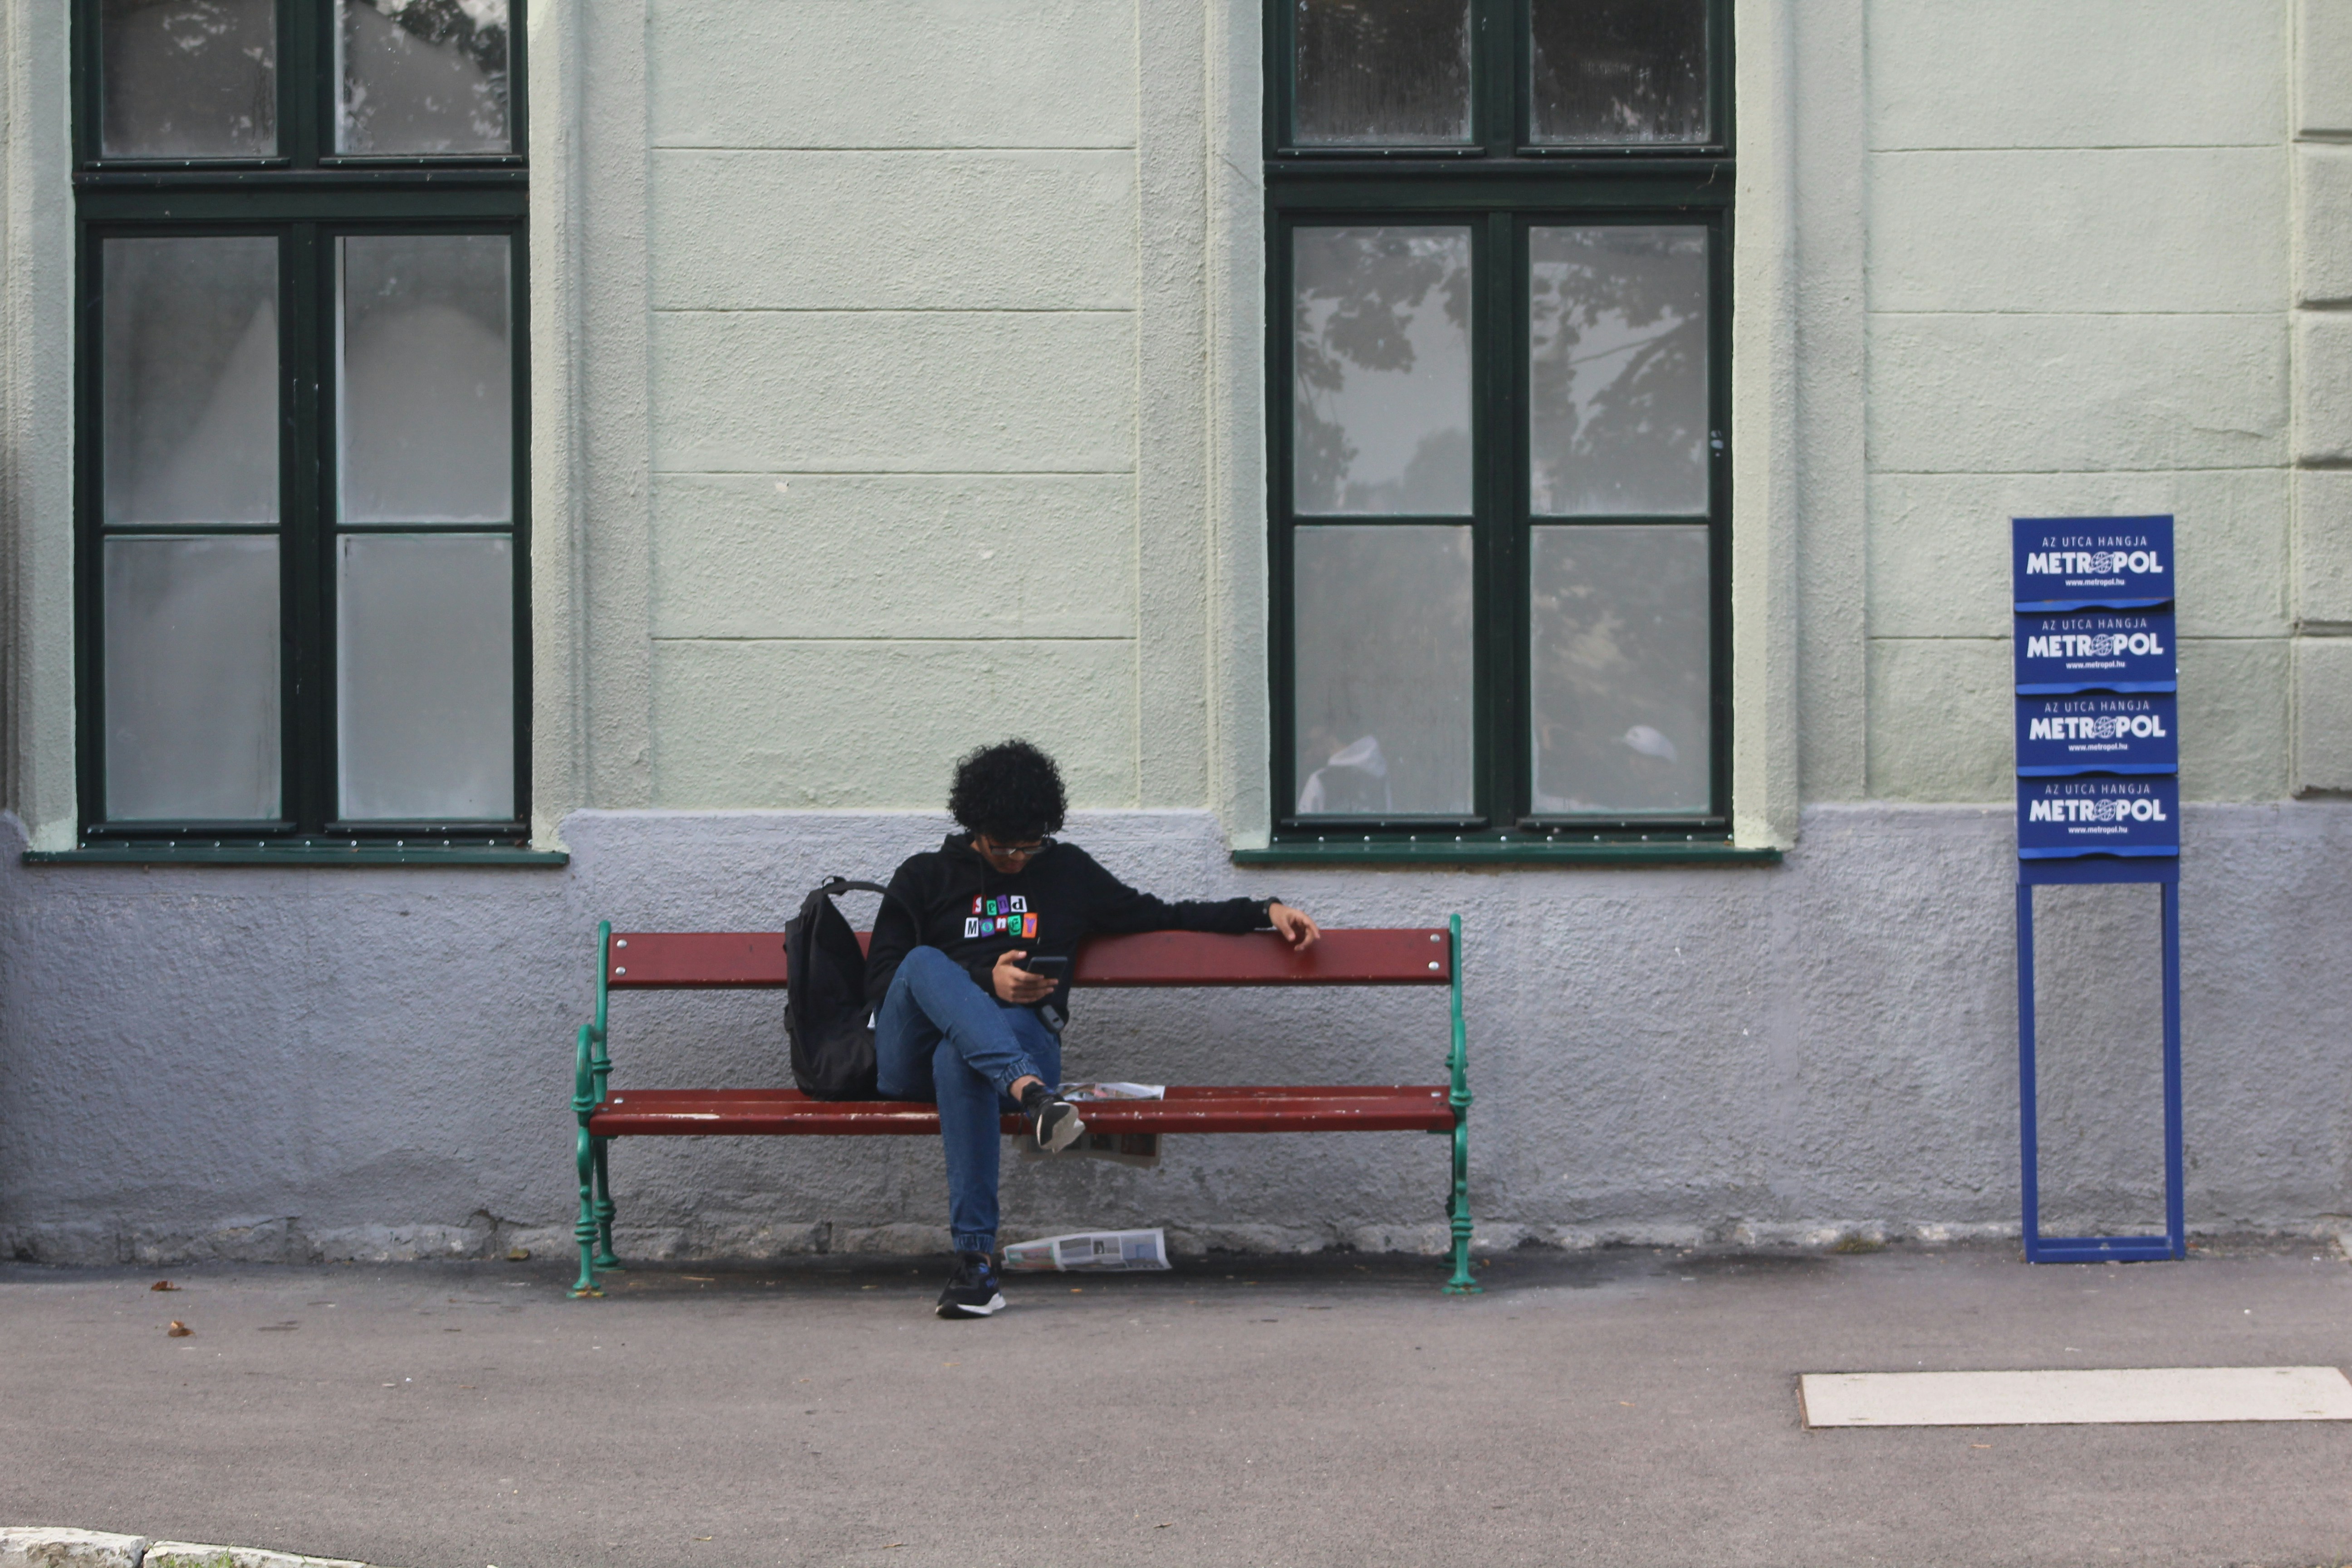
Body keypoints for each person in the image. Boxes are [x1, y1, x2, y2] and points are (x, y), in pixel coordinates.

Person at [864, 739, 1321, 1318]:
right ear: (973, 826)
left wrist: (1264, 911)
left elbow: (1165, 915)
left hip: (1015, 1046)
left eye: (1029, 846)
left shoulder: (1067, 872)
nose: (1016, 859)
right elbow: (882, 983)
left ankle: (975, 1268)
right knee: (924, 964)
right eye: (1002, 847)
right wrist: (985, 981)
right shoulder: (925, 877)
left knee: (963, 1061)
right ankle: (1033, 1097)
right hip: (912, 1055)